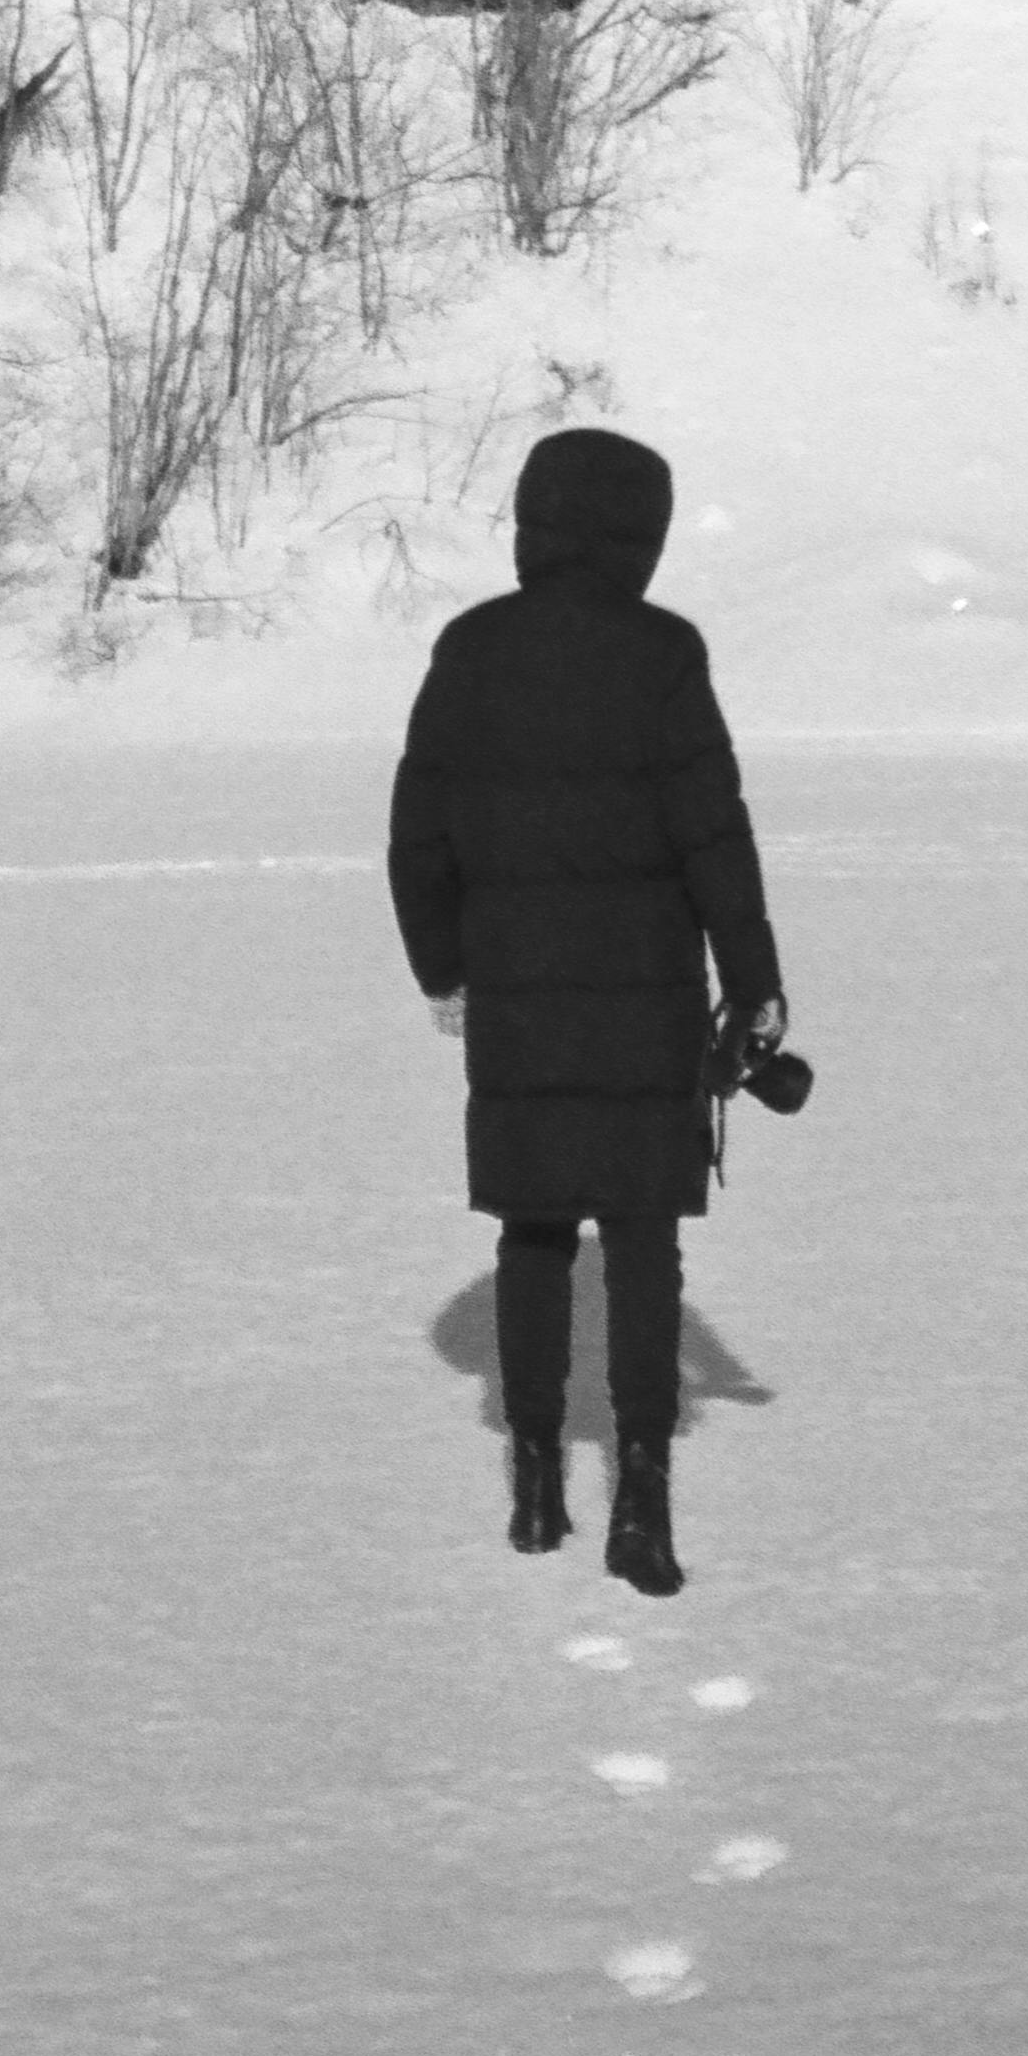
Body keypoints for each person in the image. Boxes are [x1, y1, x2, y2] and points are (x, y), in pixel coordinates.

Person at [388, 423, 786, 1598]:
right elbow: (713, 830)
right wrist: (753, 979)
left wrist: (444, 969)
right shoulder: (663, 653)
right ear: (638, 536)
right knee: (641, 1238)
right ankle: (644, 1498)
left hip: (517, 995)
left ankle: (531, 1486)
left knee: (532, 1227)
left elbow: (418, 838)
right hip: (646, 997)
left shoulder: (470, 648)